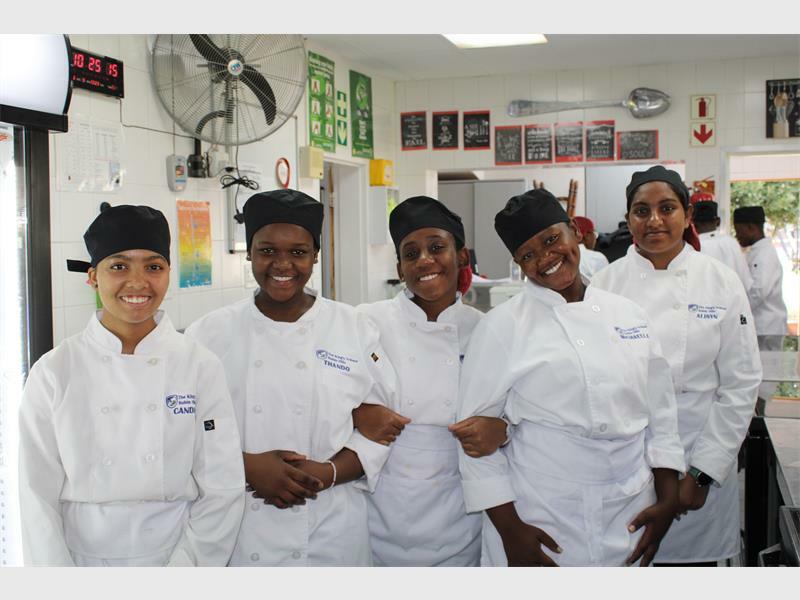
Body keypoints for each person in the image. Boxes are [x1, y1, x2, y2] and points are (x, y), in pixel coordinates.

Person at [457, 188, 685, 567]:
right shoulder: (503, 327)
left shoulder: (628, 314)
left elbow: (661, 416)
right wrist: (511, 532)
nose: (545, 258)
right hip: (542, 514)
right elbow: (474, 444)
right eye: (528, 255)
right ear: (518, 263)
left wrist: (666, 503)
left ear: (574, 233)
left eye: (551, 240)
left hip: (630, 509)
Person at [18, 205, 245, 566]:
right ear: (93, 277)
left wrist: (186, 571)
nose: (138, 282)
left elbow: (223, 486)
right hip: (80, 561)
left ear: (169, 273)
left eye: (153, 267)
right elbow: (35, 495)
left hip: (177, 554)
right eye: (119, 266)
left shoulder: (199, 366)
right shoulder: (55, 370)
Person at [185, 189, 397, 566]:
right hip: (240, 524)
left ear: (315, 256)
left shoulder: (352, 327)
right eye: (267, 250)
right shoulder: (209, 334)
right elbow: (182, 431)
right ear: (249, 252)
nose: (282, 264)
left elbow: (379, 428)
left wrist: (328, 472)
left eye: (298, 252)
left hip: (332, 527)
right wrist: (247, 466)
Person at [592, 166, 762, 565]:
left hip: (696, 464)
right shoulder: (604, 285)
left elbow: (740, 385)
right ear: (629, 219)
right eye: (641, 210)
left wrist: (703, 472)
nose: (654, 220)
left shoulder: (720, 282)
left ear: (687, 216)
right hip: (625, 471)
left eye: (666, 208)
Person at [352, 196, 507, 566]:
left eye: (437, 247)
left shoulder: (486, 330)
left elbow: (514, 409)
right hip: (380, 510)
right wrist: (356, 410)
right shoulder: (365, 322)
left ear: (463, 256)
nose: (424, 260)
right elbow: (327, 392)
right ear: (400, 267)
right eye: (411, 253)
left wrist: (503, 429)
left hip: (457, 515)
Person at [733, 205, 789, 346]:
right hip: (762, 326)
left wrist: (736, 312)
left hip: (767, 328)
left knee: (767, 367)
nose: (737, 236)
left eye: (739, 231)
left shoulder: (764, 255)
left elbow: (758, 292)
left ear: (752, 228)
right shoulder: (757, 252)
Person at [692, 200, 753, 294]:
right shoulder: (731, 242)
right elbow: (746, 283)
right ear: (718, 221)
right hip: (734, 303)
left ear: (693, 223)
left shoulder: (694, 246)